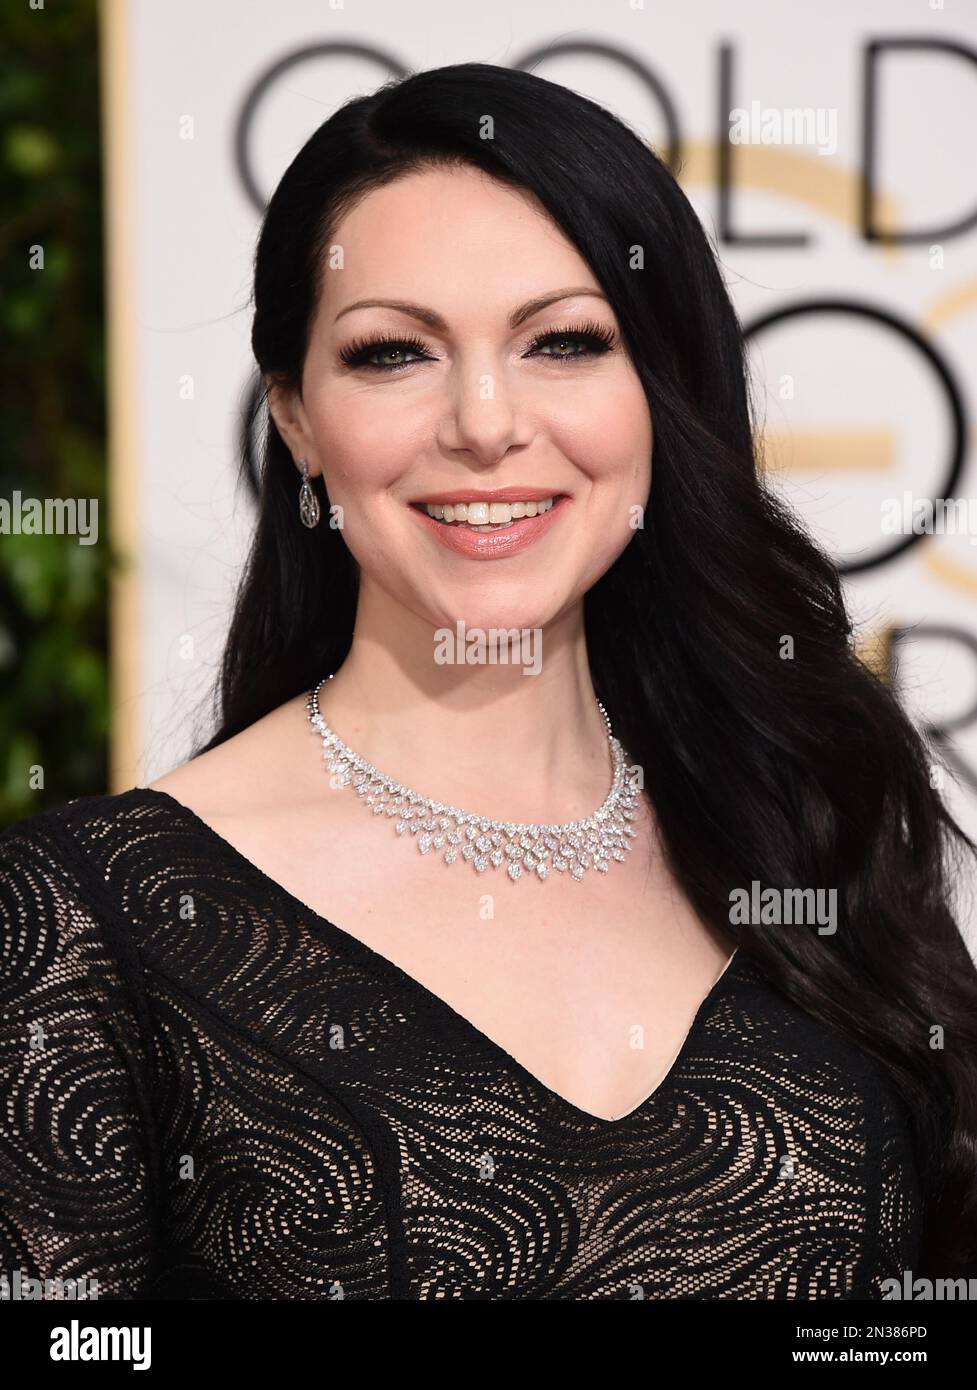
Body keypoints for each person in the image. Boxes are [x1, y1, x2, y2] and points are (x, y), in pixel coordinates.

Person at [2, 61, 976, 1301]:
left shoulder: (809, 825)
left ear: (659, 392)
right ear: (297, 417)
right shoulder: (83, 926)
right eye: (394, 353)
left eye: (562, 341)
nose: (481, 420)